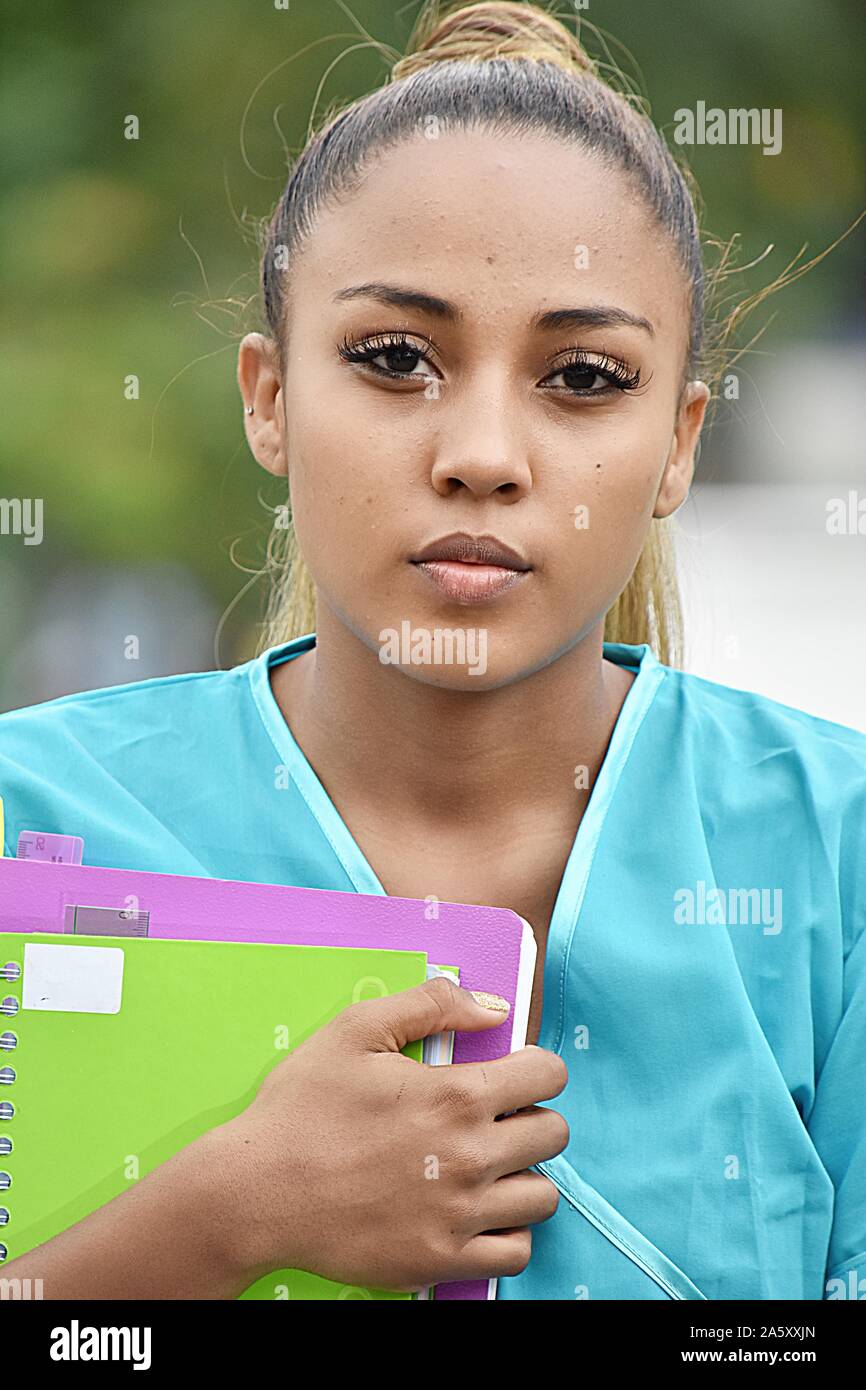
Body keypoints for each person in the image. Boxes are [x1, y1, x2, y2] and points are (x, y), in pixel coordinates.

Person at [1, 0, 864, 1301]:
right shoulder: (29, 816)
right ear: (270, 398)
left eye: (581, 376)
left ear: (679, 441)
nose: (480, 453)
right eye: (394, 357)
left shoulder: (833, 858)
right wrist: (215, 1221)